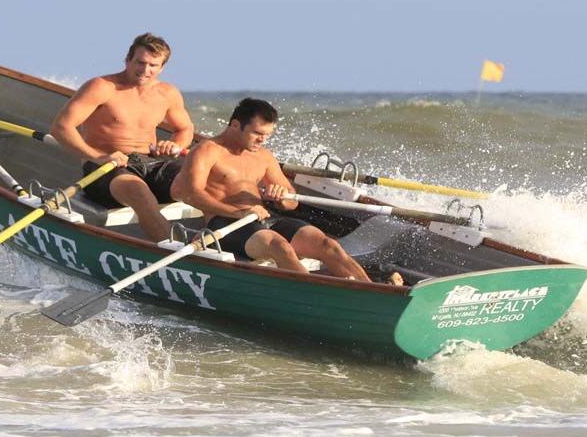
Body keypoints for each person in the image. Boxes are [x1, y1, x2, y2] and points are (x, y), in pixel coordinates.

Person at [171, 98, 378, 283]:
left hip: (263, 219)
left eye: (267, 135)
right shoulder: (207, 150)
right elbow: (191, 194)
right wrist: (238, 212)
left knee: (327, 244)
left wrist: (281, 196)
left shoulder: (263, 156)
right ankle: (313, 295)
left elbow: (292, 201)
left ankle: (370, 292)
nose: (262, 140)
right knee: (280, 246)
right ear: (235, 125)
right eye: (257, 133)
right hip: (226, 223)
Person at [50, 33, 194, 241]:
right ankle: (180, 256)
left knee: (199, 182)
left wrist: (174, 146)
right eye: (140, 62)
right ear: (127, 60)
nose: (145, 70)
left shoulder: (167, 93)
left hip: (149, 163)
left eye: (153, 65)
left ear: (162, 67)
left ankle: (236, 248)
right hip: (105, 169)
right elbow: (61, 127)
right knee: (140, 193)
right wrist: (97, 156)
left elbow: (185, 129)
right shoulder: (102, 87)